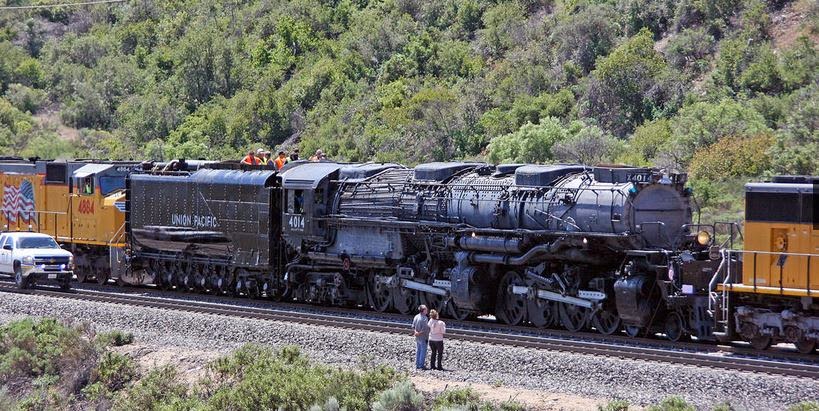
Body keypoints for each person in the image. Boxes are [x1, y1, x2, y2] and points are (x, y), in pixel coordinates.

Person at [412, 304, 430, 370]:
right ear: (423, 311)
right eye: (426, 309)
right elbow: (425, 329)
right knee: (423, 351)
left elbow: (413, 326)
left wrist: (415, 332)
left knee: (418, 350)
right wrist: (419, 333)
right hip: (423, 337)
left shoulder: (416, 316)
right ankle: (421, 365)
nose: (427, 310)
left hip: (417, 337)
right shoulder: (425, 318)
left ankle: (417, 364)